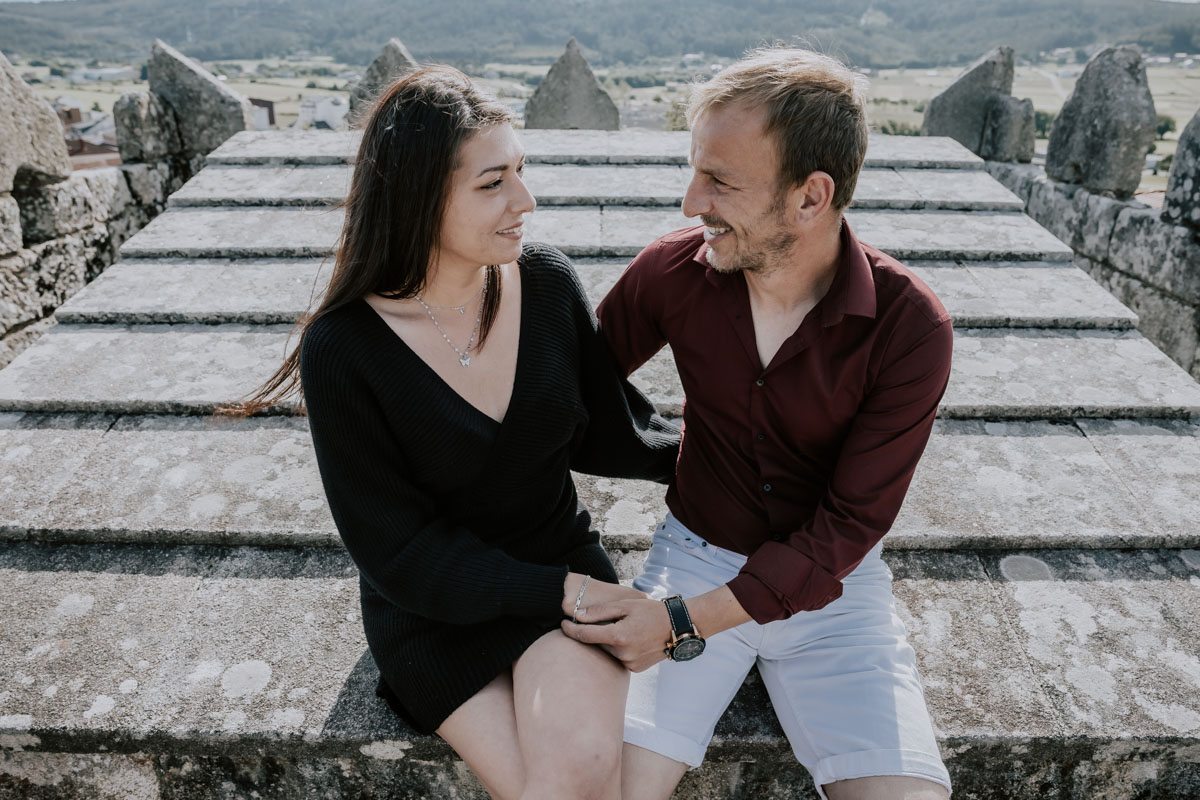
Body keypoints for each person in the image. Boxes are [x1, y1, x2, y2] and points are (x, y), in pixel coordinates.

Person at [222, 66, 679, 800]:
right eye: (493, 182)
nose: (525, 201)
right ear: (418, 196)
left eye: (520, 173)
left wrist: (750, 470)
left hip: (554, 569)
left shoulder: (548, 282)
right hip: (433, 612)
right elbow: (398, 552)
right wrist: (558, 590)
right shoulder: (345, 349)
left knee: (584, 767)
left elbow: (613, 431)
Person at [561, 47, 955, 800]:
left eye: (720, 182)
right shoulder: (672, 274)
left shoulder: (911, 328)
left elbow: (847, 528)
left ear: (810, 198)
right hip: (696, 553)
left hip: (839, 597)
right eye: (694, 169)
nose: (689, 202)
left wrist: (677, 622)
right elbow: (569, 391)